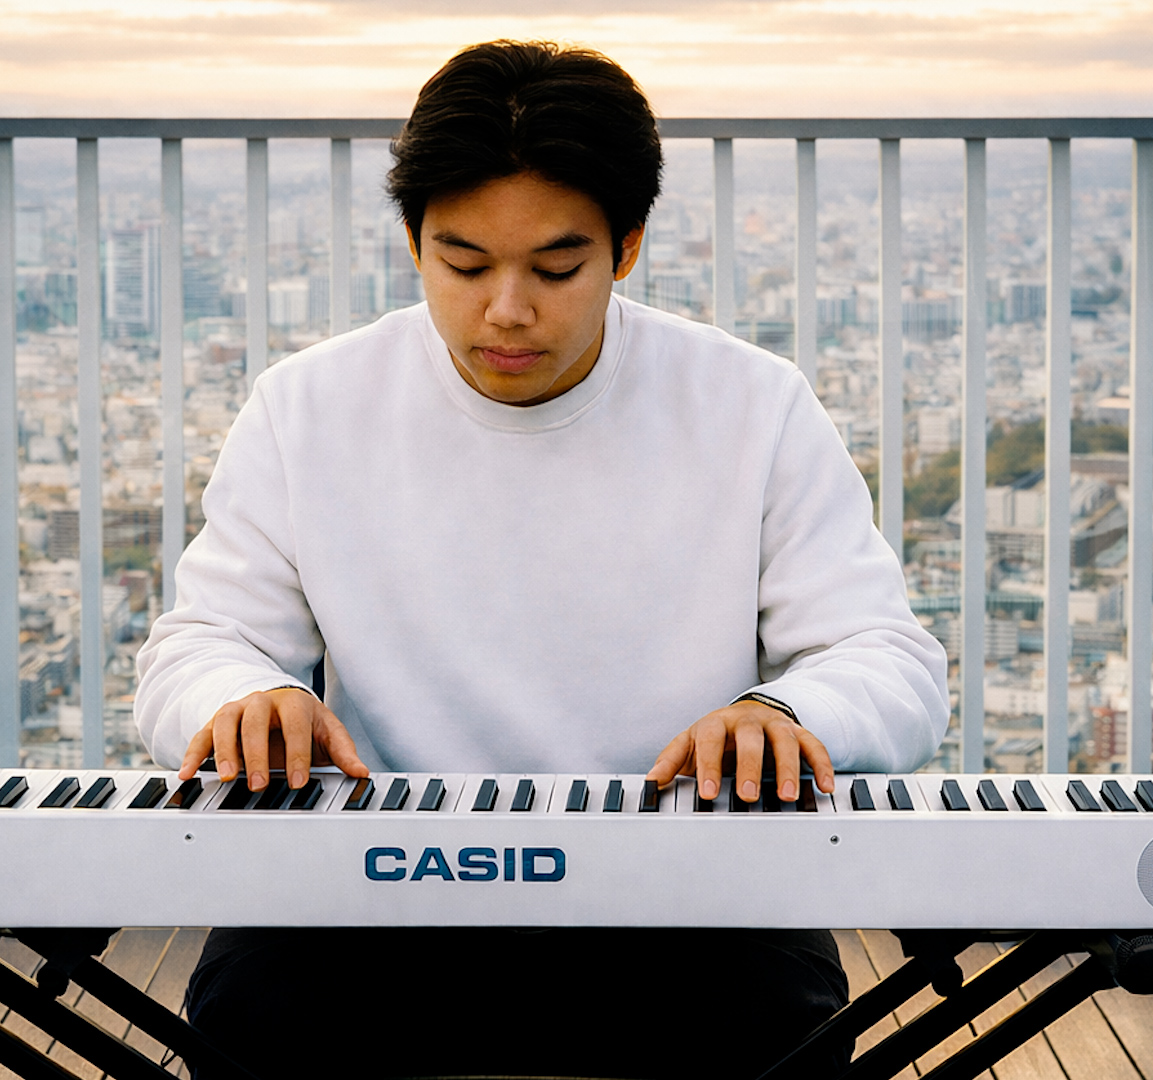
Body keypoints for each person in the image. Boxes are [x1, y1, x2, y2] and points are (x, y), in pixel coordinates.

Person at [135, 39, 949, 1079]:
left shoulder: (750, 404)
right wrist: (241, 694)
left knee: (774, 1030)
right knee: (256, 1015)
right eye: (462, 263)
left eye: (556, 268)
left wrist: (785, 715)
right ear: (413, 243)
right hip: (366, 884)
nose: (506, 310)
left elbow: (888, 655)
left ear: (629, 247)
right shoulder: (309, 408)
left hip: (691, 888)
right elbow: (199, 642)